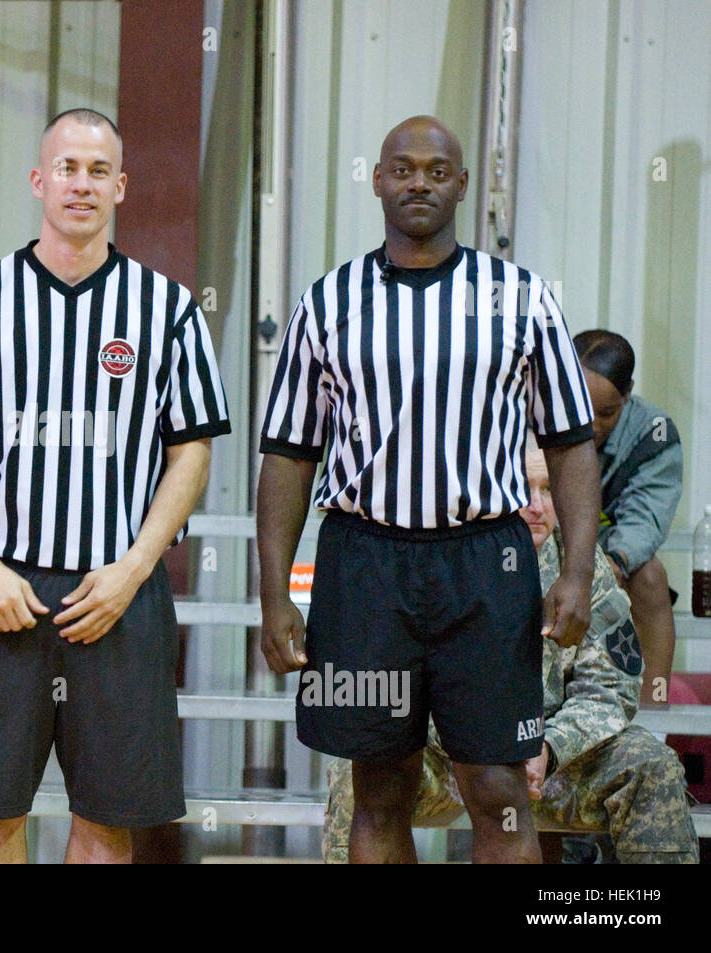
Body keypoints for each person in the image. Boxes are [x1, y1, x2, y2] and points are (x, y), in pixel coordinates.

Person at [256, 116, 600, 863]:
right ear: (377, 179)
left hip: (487, 567)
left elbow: (571, 444)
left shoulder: (522, 298)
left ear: (463, 185)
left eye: (437, 170)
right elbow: (288, 454)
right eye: (403, 168)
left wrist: (575, 569)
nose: (419, 182)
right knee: (378, 787)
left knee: (499, 788)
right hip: (365, 566)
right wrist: (274, 590)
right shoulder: (329, 301)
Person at [0, 108, 230, 864]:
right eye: (66, 167)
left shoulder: (167, 310)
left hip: (117, 593)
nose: (80, 184)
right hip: (1, 595)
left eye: (96, 170)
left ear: (120, 185)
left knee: (108, 822)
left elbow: (191, 454)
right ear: (38, 181)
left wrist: (135, 568)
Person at [322, 447, 699, 864]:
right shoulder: (440, 555)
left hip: (559, 766)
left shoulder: (582, 567)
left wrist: (550, 747)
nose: (537, 507)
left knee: (652, 764)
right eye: (523, 489)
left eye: (549, 490)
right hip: (451, 764)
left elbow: (610, 689)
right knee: (356, 769)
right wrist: (482, 749)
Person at [573, 329, 682, 709]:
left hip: (612, 554)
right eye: (581, 407)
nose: (592, 424)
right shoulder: (533, 412)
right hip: (544, 547)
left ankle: (654, 713)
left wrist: (614, 561)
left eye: (607, 413)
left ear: (628, 393)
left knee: (651, 577)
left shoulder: (653, 432)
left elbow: (647, 514)